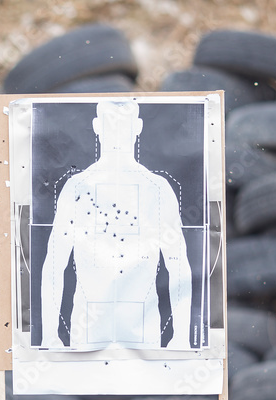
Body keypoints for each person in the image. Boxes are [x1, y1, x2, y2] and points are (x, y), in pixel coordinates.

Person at [40, 100, 193, 350]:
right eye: (112, 123)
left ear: (138, 127)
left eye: (123, 123)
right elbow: (54, 266)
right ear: (97, 126)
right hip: (87, 329)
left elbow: (178, 266)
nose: (117, 131)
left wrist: (182, 338)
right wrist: (49, 337)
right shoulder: (77, 188)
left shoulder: (157, 189)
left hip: (143, 332)